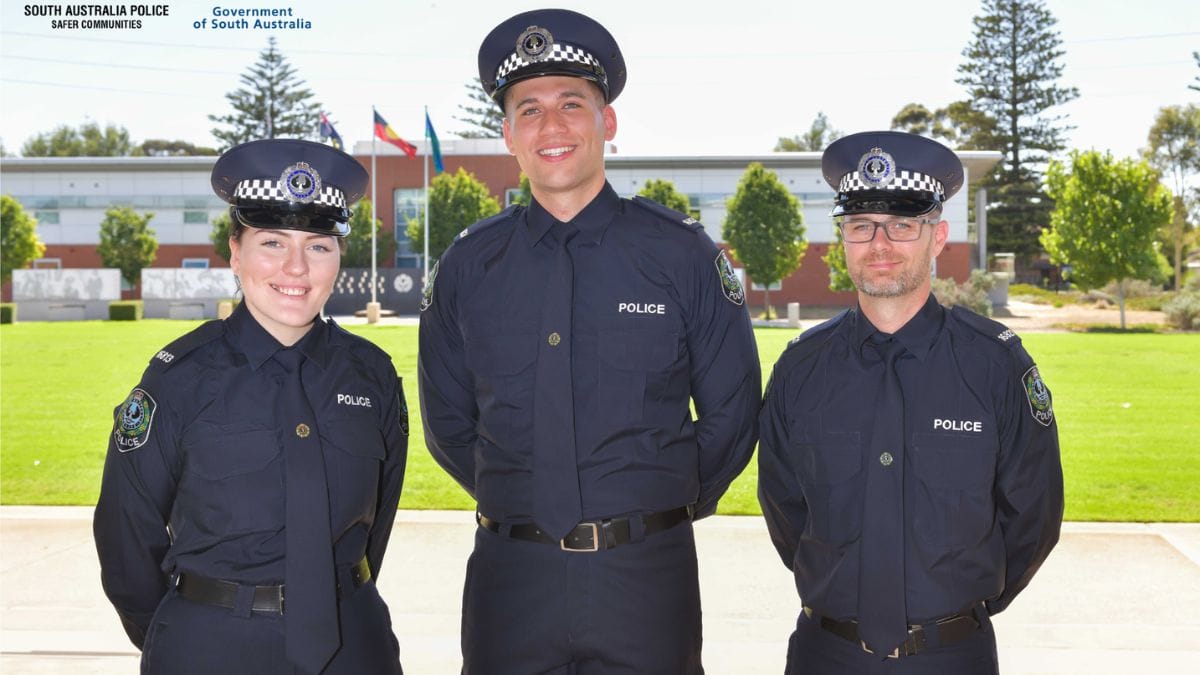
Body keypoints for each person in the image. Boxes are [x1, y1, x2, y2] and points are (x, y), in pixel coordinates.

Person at [418, 8, 761, 673]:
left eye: (571, 103)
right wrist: (524, 504)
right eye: (529, 109)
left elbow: (733, 415)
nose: (551, 125)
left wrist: (654, 501)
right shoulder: (468, 266)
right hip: (510, 581)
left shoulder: (680, 255)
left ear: (607, 122)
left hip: (645, 580)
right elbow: (449, 428)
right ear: (508, 133)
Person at [94, 139, 408, 675]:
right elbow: (127, 536)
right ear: (234, 252)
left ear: (338, 257)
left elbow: (376, 524)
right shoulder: (179, 379)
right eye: (271, 242)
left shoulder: (372, 374)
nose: (296, 267)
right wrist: (182, 632)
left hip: (353, 643)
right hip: (211, 646)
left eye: (318, 246)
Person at [757, 131, 1063, 673]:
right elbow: (784, 509)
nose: (880, 243)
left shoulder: (997, 367)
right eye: (860, 225)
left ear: (938, 235)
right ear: (842, 240)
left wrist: (959, 611)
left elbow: (1033, 516)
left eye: (902, 224)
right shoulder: (800, 370)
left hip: (952, 657)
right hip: (826, 654)